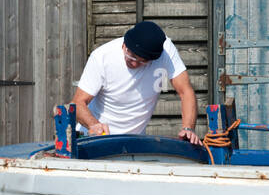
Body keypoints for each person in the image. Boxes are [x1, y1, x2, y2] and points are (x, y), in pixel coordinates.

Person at [72, 20, 202, 145]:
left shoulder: (166, 51)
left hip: (134, 142)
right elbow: (78, 103)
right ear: (124, 45)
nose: (134, 63)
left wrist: (188, 129)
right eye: (131, 56)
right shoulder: (101, 57)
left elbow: (185, 91)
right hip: (95, 139)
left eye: (142, 61)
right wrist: (94, 125)